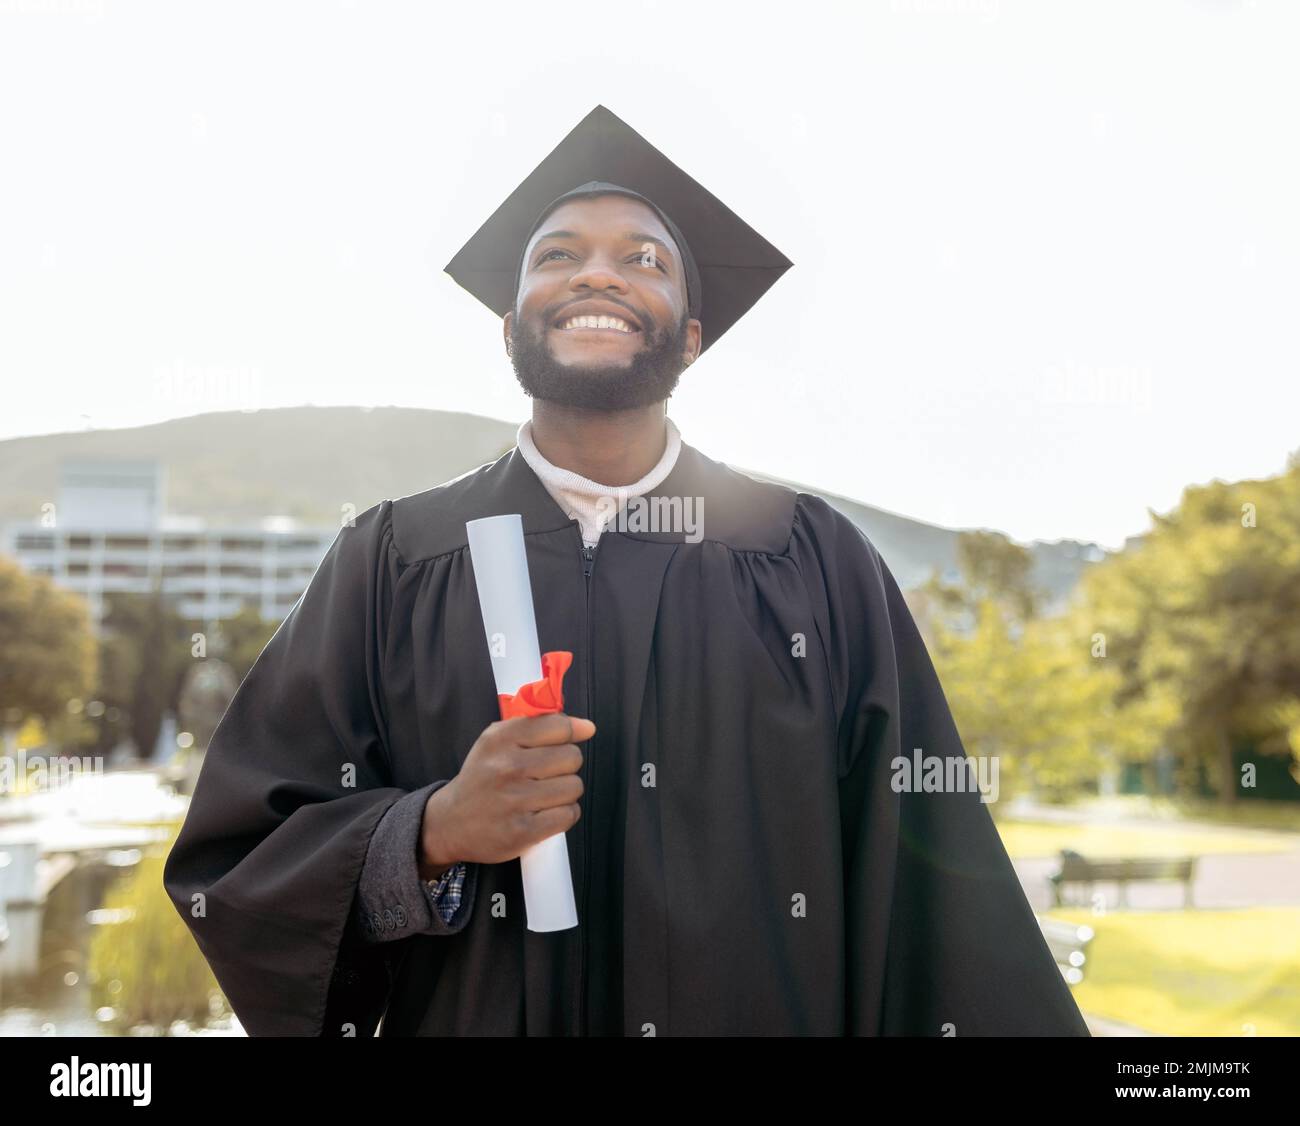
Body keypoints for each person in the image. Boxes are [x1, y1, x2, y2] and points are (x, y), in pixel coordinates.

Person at [164, 105, 1090, 1037]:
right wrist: (432, 833)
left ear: (689, 336)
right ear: (509, 326)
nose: (598, 272)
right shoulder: (395, 560)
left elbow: (932, 897)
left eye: (643, 258)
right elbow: (238, 865)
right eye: (557, 255)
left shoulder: (813, 560)